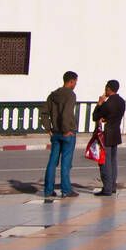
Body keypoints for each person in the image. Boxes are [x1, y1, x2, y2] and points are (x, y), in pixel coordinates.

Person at [42, 71, 79, 199]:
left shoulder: (53, 95)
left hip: (55, 132)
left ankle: (48, 190)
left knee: (52, 161)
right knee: (66, 163)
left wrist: (48, 128)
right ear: (71, 81)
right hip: (66, 132)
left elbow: (45, 113)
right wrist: (66, 130)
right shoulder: (70, 95)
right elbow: (66, 114)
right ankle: (66, 190)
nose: (75, 84)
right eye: (75, 82)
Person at [93, 79, 125, 196]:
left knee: (105, 162)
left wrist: (100, 102)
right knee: (113, 161)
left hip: (106, 134)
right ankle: (112, 186)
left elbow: (95, 116)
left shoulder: (108, 103)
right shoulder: (121, 102)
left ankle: (107, 188)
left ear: (108, 89)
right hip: (115, 132)